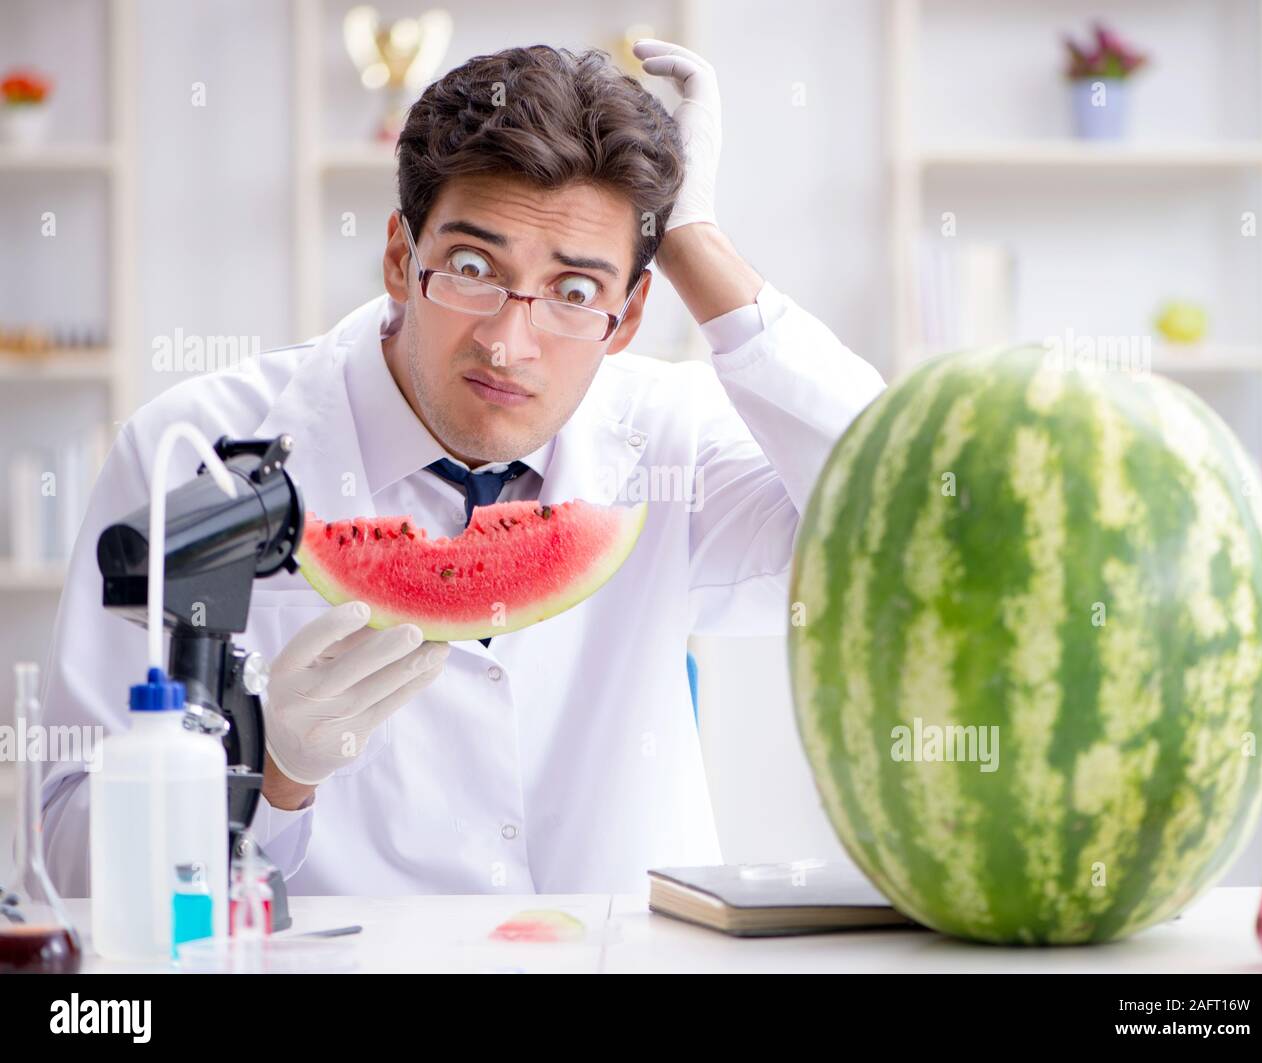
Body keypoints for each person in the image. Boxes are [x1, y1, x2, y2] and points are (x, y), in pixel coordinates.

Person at [40, 41, 885, 896]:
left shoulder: (673, 441)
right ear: (402, 259)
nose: (506, 345)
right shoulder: (191, 454)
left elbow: (901, 524)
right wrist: (266, 778)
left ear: (628, 318)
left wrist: (694, 242)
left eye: (575, 291)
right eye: (474, 270)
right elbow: (70, 857)